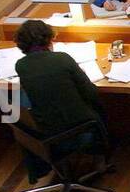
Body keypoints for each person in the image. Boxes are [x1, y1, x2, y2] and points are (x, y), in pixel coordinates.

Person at [14, 18, 108, 180]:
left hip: (45, 131)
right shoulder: (62, 59)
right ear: (49, 39)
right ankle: (100, 158)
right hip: (75, 128)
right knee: (98, 108)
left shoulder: (21, 65)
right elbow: (92, 93)